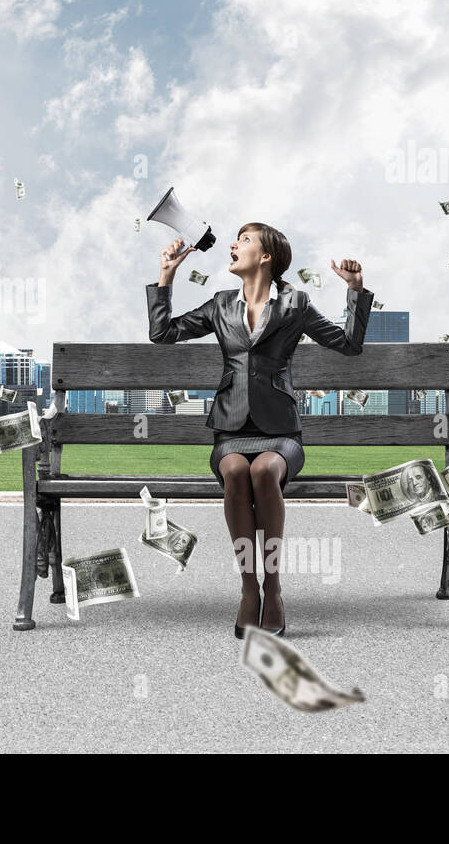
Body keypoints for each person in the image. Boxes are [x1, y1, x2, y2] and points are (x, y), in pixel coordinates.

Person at [146, 222, 374, 638]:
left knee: (263, 471)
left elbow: (348, 344)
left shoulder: (295, 304)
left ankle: (274, 587)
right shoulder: (219, 305)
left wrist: (355, 289)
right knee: (236, 471)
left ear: (266, 256)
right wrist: (167, 275)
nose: (233, 245)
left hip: (281, 434)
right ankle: (249, 590)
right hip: (231, 431)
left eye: (244, 240)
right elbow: (162, 334)